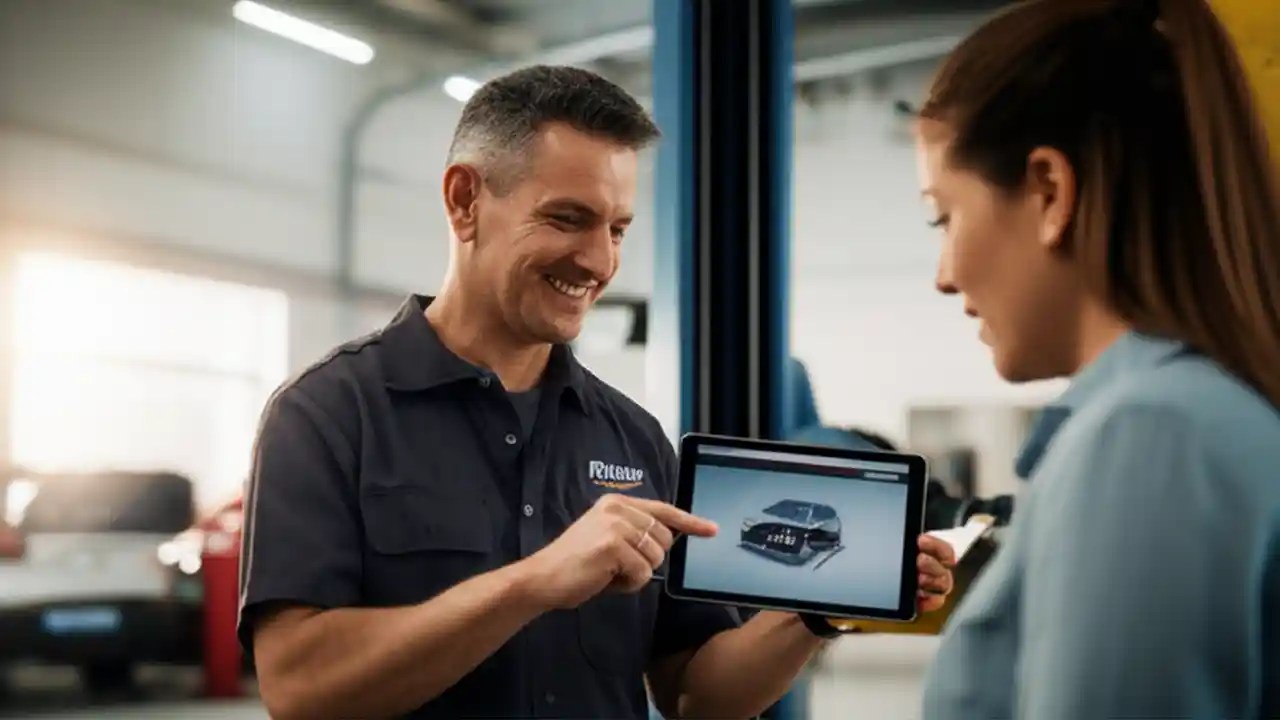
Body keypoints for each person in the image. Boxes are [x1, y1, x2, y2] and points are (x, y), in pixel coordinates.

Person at [238, 65, 956, 720]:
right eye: (567, 219)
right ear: (464, 201)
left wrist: (817, 612)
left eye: (617, 227)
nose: (601, 260)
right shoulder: (328, 416)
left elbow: (696, 695)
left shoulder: (633, 438)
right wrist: (535, 582)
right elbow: (301, 688)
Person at [910, 0, 1280, 717]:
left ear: (1050, 191)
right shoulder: (1206, 413)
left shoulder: (1149, 436)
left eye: (944, 216)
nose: (944, 274)